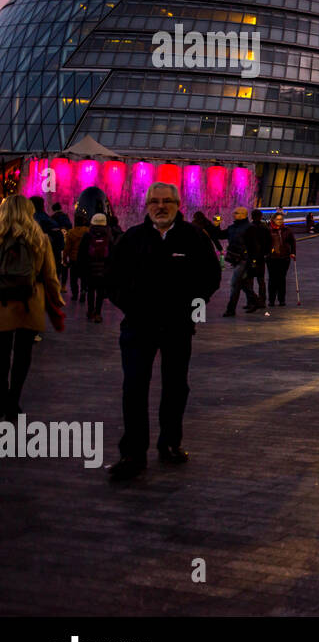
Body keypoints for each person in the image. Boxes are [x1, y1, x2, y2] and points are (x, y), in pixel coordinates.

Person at [104, 181, 221, 480]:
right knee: (134, 388)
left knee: (176, 387)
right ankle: (133, 453)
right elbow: (112, 279)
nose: (160, 206)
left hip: (177, 327)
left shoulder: (193, 237)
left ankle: (170, 443)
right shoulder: (132, 238)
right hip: (137, 327)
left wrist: (193, 308)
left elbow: (210, 277)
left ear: (178, 205)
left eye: (167, 201)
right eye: (155, 201)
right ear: (147, 206)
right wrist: (130, 306)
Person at [0, 195, 65, 421]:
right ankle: (13, 400)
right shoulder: (39, 237)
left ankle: (4, 399)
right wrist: (57, 300)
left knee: (1, 353)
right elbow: (50, 274)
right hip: (31, 303)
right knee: (22, 355)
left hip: (3, 303)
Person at [220, 207, 261, 316]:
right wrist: (214, 225)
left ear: (243, 214)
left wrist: (253, 261)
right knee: (243, 284)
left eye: (236, 213)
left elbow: (254, 246)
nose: (234, 214)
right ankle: (256, 301)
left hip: (244, 260)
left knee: (234, 283)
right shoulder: (233, 227)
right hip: (236, 259)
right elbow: (220, 235)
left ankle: (231, 309)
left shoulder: (249, 228)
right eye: (234, 212)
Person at [77, 213, 115, 322]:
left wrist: (80, 269)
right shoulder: (108, 235)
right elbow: (112, 254)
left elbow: (82, 253)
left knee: (91, 291)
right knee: (100, 292)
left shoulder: (87, 235)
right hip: (103, 269)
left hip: (90, 269)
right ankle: (98, 313)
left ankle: (90, 311)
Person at [31, 196, 66, 290]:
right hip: (51, 260)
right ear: (43, 206)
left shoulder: (29, 221)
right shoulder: (51, 220)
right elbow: (60, 243)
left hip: (34, 265)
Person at [265, 211, 296, 307]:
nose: (280, 221)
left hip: (284, 258)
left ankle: (281, 299)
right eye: (278, 219)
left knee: (282, 279)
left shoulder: (287, 230)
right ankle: (271, 300)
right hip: (272, 258)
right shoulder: (268, 230)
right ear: (273, 220)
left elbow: (292, 242)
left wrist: (293, 253)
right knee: (272, 279)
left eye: (281, 219)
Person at [246, 210, 272, 311]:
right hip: (261, 257)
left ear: (251, 216)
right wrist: (267, 253)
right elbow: (269, 242)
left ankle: (251, 302)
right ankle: (262, 301)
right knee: (261, 280)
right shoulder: (265, 228)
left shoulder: (249, 227)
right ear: (261, 216)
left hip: (251, 257)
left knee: (250, 280)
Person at [65, 212, 90, 304]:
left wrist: (64, 259)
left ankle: (75, 294)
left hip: (74, 258)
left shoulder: (71, 232)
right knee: (84, 276)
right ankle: (83, 290)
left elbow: (67, 248)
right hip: (85, 258)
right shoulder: (88, 231)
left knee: (73, 277)